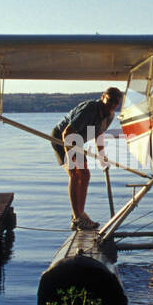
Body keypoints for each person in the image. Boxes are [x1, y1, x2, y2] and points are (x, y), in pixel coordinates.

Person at [51, 87, 123, 230]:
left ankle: (81, 214)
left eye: (116, 102)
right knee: (75, 174)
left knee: (85, 174)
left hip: (76, 140)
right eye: (110, 100)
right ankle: (77, 218)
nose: (112, 105)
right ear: (103, 97)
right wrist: (70, 158)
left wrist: (101, 156)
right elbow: (67, 132)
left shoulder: (109, 116)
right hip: (61, 138)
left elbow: (99, 134)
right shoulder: (89, 110)